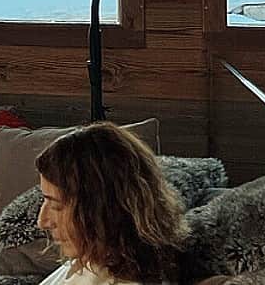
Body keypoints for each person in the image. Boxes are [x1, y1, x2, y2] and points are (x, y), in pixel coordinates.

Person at [34, 122, 188, 285]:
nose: (42, 222)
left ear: (103, 209)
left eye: (57, 205)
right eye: (45, 200)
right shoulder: (87, 261)